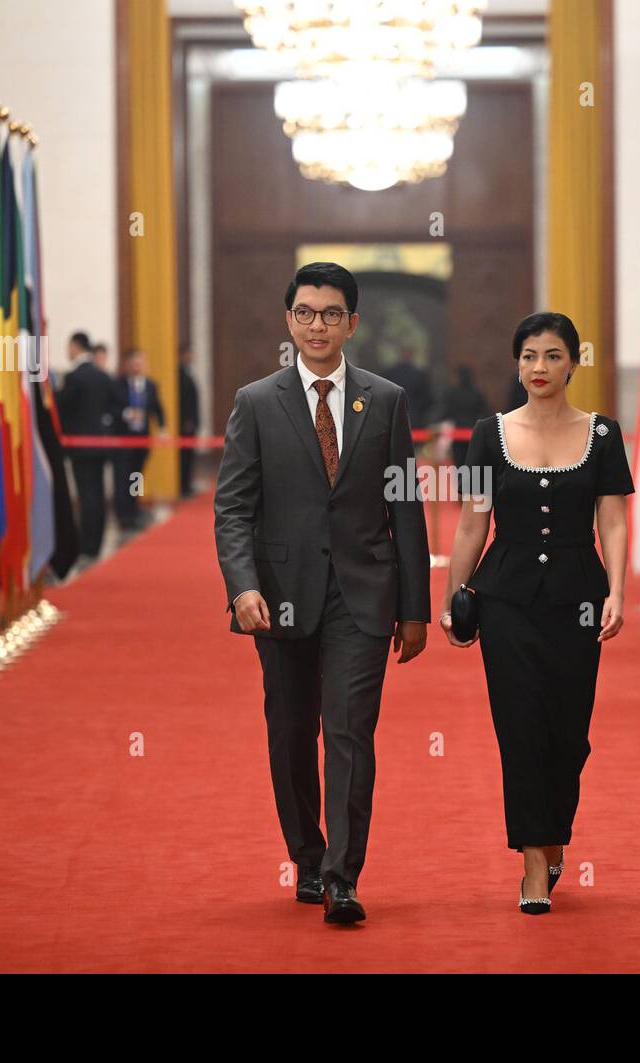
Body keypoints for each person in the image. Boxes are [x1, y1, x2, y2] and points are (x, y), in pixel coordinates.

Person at [213, 262, 430, 925]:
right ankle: (306, 856)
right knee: (290, 732)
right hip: (279, 596)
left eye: (331, 314)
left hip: (364, 594)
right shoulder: (256, 402)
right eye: (306, 312)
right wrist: (242, 587)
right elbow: (233, 508)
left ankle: (342, 876)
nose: (318, 325)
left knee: (349, 731)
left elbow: (405, 505)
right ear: (289, 320)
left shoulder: (386, 400)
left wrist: (415, 608)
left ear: (351, 324)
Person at [440, 311, 634, 916]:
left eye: (552, 355)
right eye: (528, 356)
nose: (539, 367)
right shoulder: (487, 434)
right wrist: (453, 598)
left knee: (569, 735)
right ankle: (532, 863)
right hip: (506, 601)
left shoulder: (603, 435)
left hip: (579, 599)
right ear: (516, 364)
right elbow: (472, 523)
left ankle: (553, 836)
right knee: (520, 727)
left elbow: (613, 521)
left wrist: (617, 592)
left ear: (573, 363)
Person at [58, 331, 116, 558]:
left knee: (86, 495)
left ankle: (86, 543)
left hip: (80, 446)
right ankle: (97, 542)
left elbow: (63, 408)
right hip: (101, 444)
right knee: (98, 494)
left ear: (76, 346)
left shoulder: (74, 377)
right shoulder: (102, 376)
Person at [111, 347, 166, 530]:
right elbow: (110, 408)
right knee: (122, 478)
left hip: (142, 440)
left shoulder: (150, 385)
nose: (137, 366)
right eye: (134, 362)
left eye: (140, 362)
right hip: (123, 440)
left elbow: (158, 409)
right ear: (127, 364)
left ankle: (134, 510)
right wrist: (127, 414)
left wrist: (162, 429)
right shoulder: (117, 384)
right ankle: (123, 515)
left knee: (136, 477)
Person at [178, 347, 201, 498]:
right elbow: (184, 400)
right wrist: (187, 419)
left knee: (189, 455)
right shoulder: (179, 375)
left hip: (191, 421)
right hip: (185, 422)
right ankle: (183, 486)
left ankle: (187, 483)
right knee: (184, 456)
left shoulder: (188, 372)